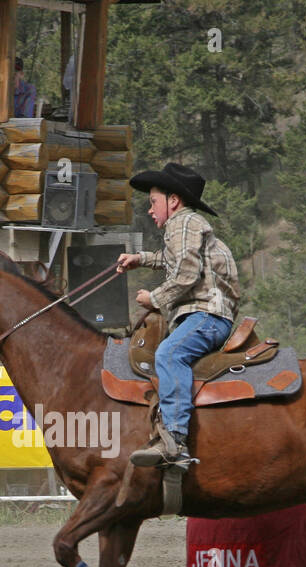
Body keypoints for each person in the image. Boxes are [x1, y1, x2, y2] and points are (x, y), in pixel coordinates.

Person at [115, 163, 240, 468]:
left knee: (170, 355)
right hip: (206, 313)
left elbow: (185, 273)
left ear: (173, 201)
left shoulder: (183, 224)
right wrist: (141, 259)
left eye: (153, 202)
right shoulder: (185, 226)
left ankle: (174, 438)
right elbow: (174, 260)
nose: (150, 210)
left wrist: (154, 298)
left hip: (207, 314)